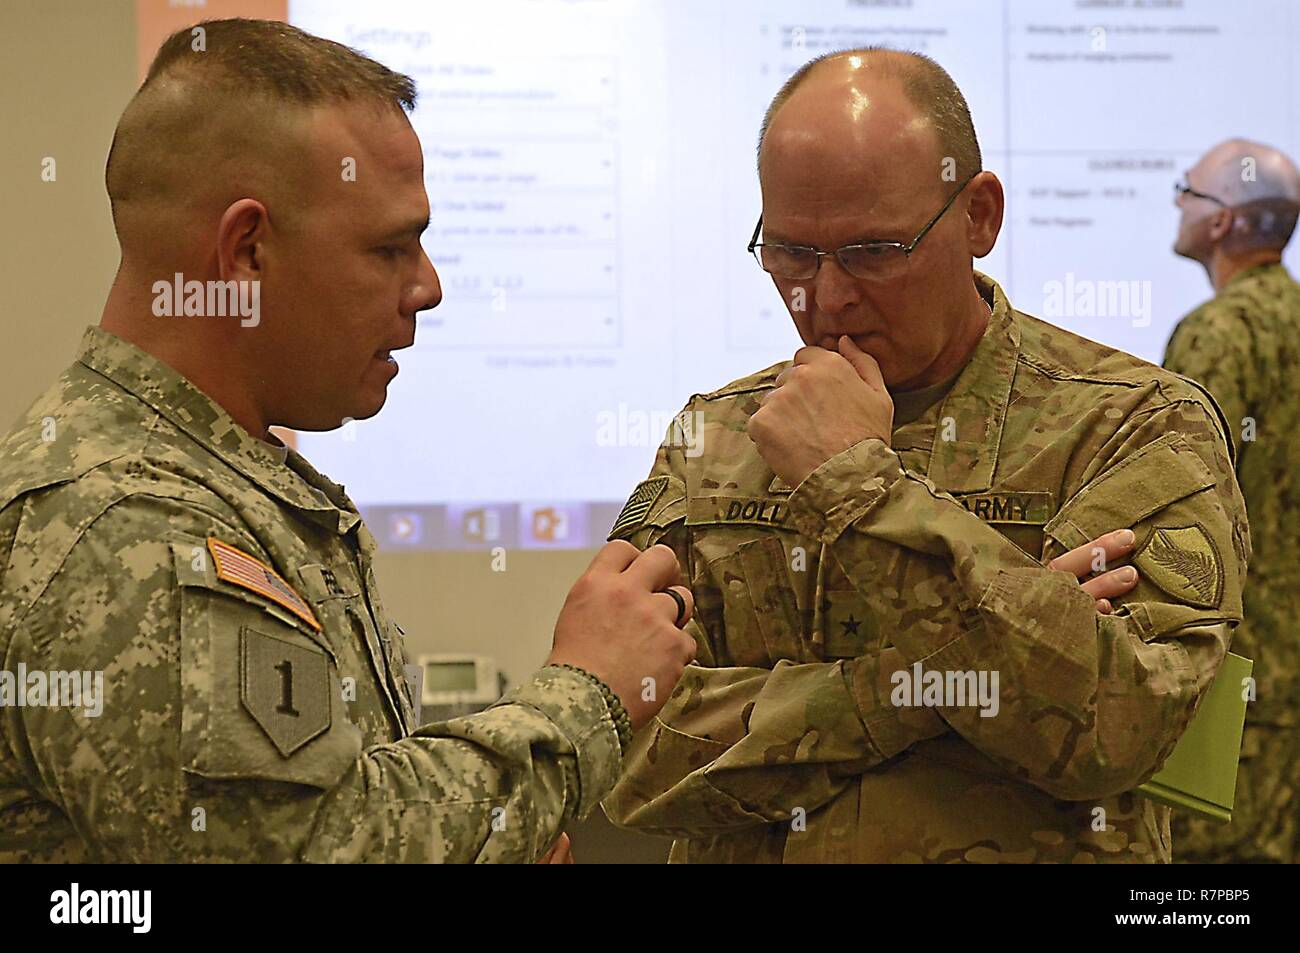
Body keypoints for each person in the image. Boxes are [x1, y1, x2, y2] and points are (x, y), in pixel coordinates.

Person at [0, 18, 696, 863]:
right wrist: (585, 693)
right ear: (246, 252)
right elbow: (316, 851)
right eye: (389, 247)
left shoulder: (224, 485)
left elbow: (330, 803)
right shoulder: (131, 525)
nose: (428, 288)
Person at [602, 48, 1250, 863]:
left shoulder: (1133, 426)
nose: (825, 298)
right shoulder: (717, 434)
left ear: (979, 215)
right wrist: (928, 686)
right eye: (792, 254)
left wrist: (859, 488)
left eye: (874, 252)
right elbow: (623, 745)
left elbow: (1115, 728)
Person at [1164, 138, 1300, 863]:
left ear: (1221, 223)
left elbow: (1178, 507)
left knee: (1209, 892)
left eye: (1186, 191)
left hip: (1235, 674)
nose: (1177, 204)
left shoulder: (1218, 332)